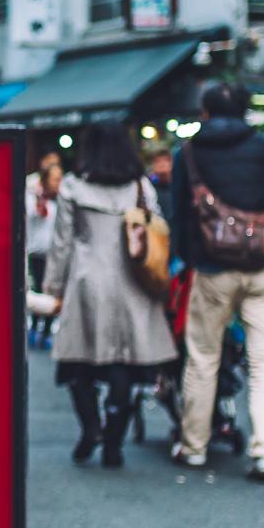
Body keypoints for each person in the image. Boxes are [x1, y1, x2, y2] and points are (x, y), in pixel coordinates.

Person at [169, 84, 264, 482]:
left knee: (203, 357)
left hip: (213, 266)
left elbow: (179, 213)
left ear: (205, 111)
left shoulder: (188, 152)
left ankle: (195, 448)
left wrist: (189, 258)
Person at [45, 120, 178, 466]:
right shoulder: (139, 187)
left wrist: (53, 290)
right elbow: (158, 230)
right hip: (133, 283)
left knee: (79, 362)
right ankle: (114, 442)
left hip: (87, 281)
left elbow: (61, 244)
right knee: (125, 361)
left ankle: (92, 427)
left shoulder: (74, 186)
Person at [25, 158, 63, 348]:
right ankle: (35, 328)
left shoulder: (63, 199)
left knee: (53, 291)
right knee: (39, 290)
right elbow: (30, 216)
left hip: (55, 253)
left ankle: (47, 331)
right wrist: (38, 200)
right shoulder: (33, 196)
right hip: (37, 252)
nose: (58, 183)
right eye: (55, 179)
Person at [147, 147, 177, 224]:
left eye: (165, 160)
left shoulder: (180, 186)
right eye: (157, 161)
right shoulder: (148, 188)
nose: (161, 164)